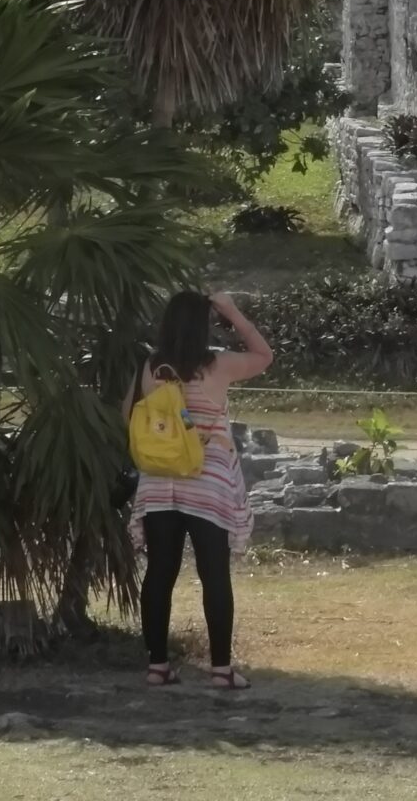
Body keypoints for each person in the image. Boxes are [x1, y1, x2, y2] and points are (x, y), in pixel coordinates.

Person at [127, 289, 273, 690]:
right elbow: (264, 356)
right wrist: (233, 312)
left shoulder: (152, 367)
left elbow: (129, 414)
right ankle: (221, 670)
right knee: (213, 574)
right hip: (206, 480)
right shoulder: (217, 365)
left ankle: (157, 666)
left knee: (159, 573)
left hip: (158, 479)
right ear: (202, 324)